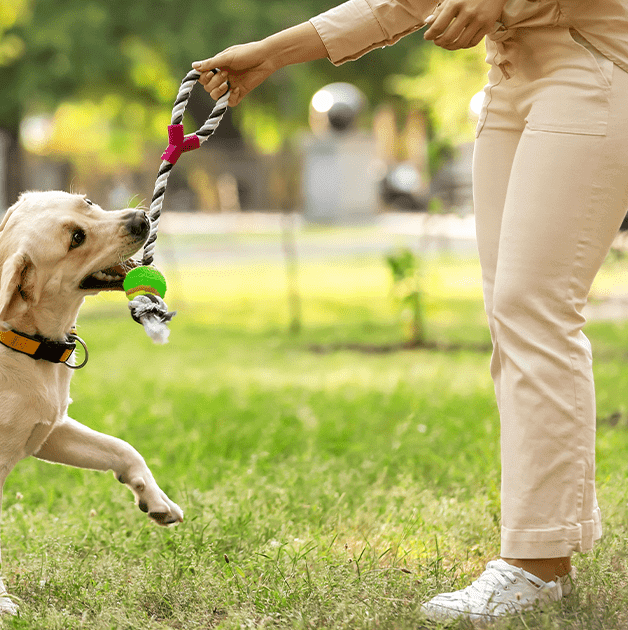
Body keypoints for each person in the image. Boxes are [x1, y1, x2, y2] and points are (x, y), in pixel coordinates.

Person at [193, 0, 628, 623]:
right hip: (509, 81)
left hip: (595, 69)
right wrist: (272, 52)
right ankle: (546, 553)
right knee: (512, 317)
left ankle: (534, 563)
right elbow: (399, 4)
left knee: (533, 308)